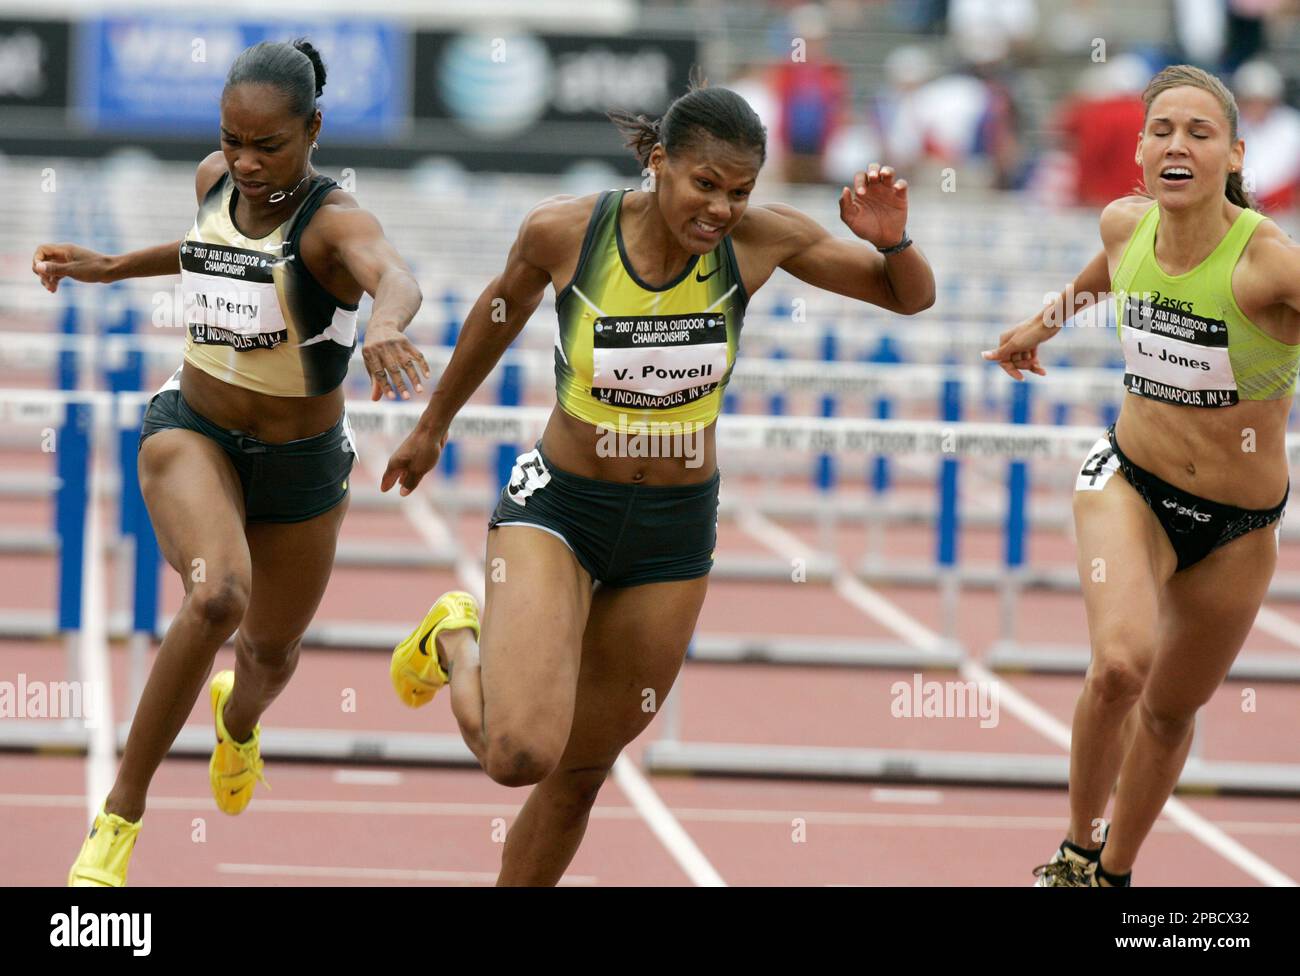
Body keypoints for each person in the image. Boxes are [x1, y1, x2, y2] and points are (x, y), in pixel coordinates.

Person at [381, 76, 935, 886]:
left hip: (672, 531)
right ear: (661, 163)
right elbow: (499, 312)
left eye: (739, 192)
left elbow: (907, 298)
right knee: (519, 755)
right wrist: (432, 427)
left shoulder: (761, 240)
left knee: (578, 775)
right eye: (704, 185)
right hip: (562, 509)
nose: (719, 209)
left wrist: (892, 240)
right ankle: (454, 639)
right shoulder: (567, 231)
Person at [33, 38, 427, 886]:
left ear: (314, 129)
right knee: (216, 596)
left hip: (303, 464)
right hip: (192, 432)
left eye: (268, 146)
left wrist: (389, 321)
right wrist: (109, 268)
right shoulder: (215, 179)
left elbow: (393, 274)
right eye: (233, 140)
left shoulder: (333, 222)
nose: (246, 162)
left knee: (270, 654)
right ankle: (120, 816)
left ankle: (239, 725)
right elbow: (204, 250)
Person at [984, 63, 1300, 886]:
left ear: (1234, 155)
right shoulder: (1125, 224)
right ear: (1139, 150)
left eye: (1199, 133)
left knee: (1168, 712)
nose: (1177, 145)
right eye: (1162, 130)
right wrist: (1038, 326)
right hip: (1129, 482)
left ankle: (1114, 873)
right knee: (1121, 666)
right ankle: (1076, 850)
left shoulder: (1269, 266)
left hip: (1239, 526)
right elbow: (1105, 275)